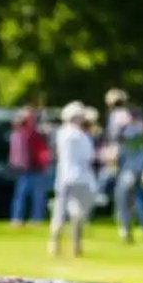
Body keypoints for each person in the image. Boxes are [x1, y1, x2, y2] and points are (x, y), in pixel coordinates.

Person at [48, 101, 97, 257]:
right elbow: (89, 157)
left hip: (63, 176)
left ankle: (54, 244)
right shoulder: (81, 136)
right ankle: (76, 245)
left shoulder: (62, 133)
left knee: (59, 211)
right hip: (80, 177)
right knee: (78, 214)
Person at [113, 107, 143, 243]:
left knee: (123, 198)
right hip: (136, 170)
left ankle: (126, 230)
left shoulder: (134, 129)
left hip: (130, 170)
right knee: (136, 199)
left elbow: (121, 138)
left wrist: (121, 126)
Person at [8, 107, 50, 226]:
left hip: (29, 169)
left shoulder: (20, 135)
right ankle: (26, 218)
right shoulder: (26, 135)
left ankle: (25, 218)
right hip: (29, 169)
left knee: (26, 196)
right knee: (29, 196)